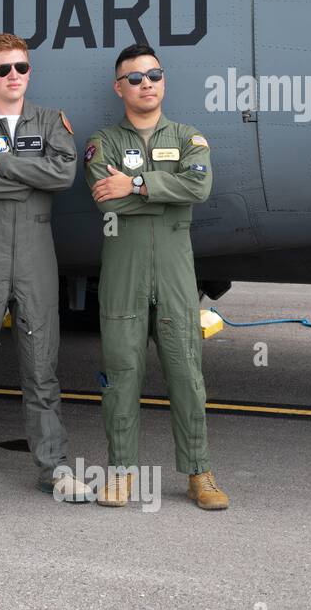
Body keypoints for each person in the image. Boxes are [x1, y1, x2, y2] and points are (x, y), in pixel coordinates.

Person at [0, 32, 90, 506]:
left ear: (30, 72)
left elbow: (64, 175)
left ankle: (54, 467)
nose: (13, 77)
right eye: (3, 69)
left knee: (42, 365)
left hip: (34, 253)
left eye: (21, 68)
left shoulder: (50, 120)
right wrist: (28, 173)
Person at [84, 43, 228, 510]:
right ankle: (122, 472)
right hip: (123, 269)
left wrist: (137, 183)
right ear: (119, 87)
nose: (146, 84)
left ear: (163, 81)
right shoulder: (102, 142)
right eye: (135, 78)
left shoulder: (190, 138)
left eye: (154, 75)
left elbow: (199, 187)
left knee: (187, 373)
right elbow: (108, 200)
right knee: (122, 373)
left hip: (174, 270)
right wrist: (161, 189)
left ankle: (199, 473)